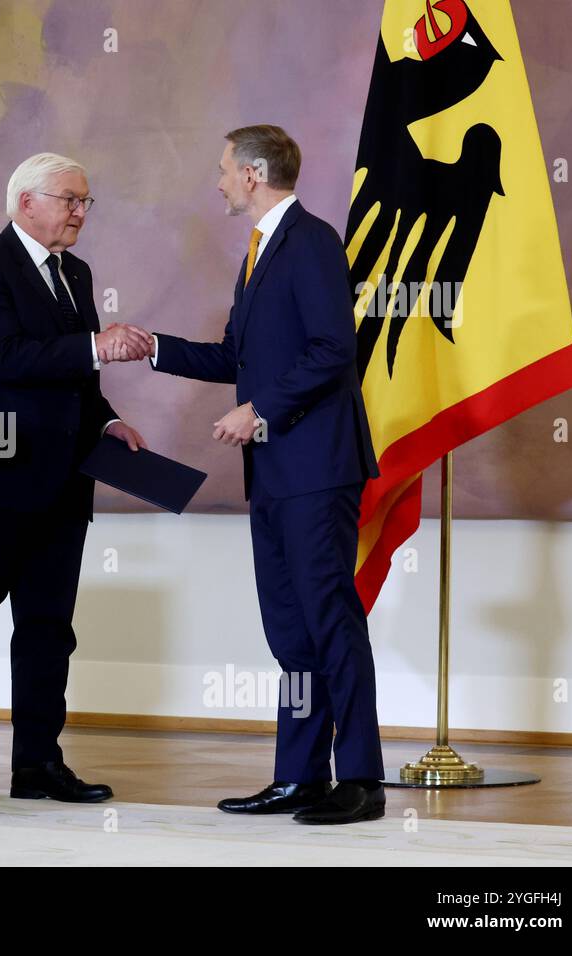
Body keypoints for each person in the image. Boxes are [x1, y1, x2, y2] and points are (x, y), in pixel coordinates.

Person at [132, 126, 385, 824]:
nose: (216, 182)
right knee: (291, 632)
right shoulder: (259, 252)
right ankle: (300, 775)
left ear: (251, 173)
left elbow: (336, 348)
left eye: (222, 170)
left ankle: (361, 778)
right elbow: (235, 358)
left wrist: (259, 409)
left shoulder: (311, 241)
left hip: (316, 466)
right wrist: (153, 348)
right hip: (274, 472)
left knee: (331, 619)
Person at [0, 152, 151, 803]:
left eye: (87, 201)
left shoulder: (76, 273)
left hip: (64, 482)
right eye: (70, 200)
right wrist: (96, 345)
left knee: (49, 627)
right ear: (26, 202)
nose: (82, 212)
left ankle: (36, 763)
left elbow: (75, 378)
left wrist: (108, 420)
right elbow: (4, 359)